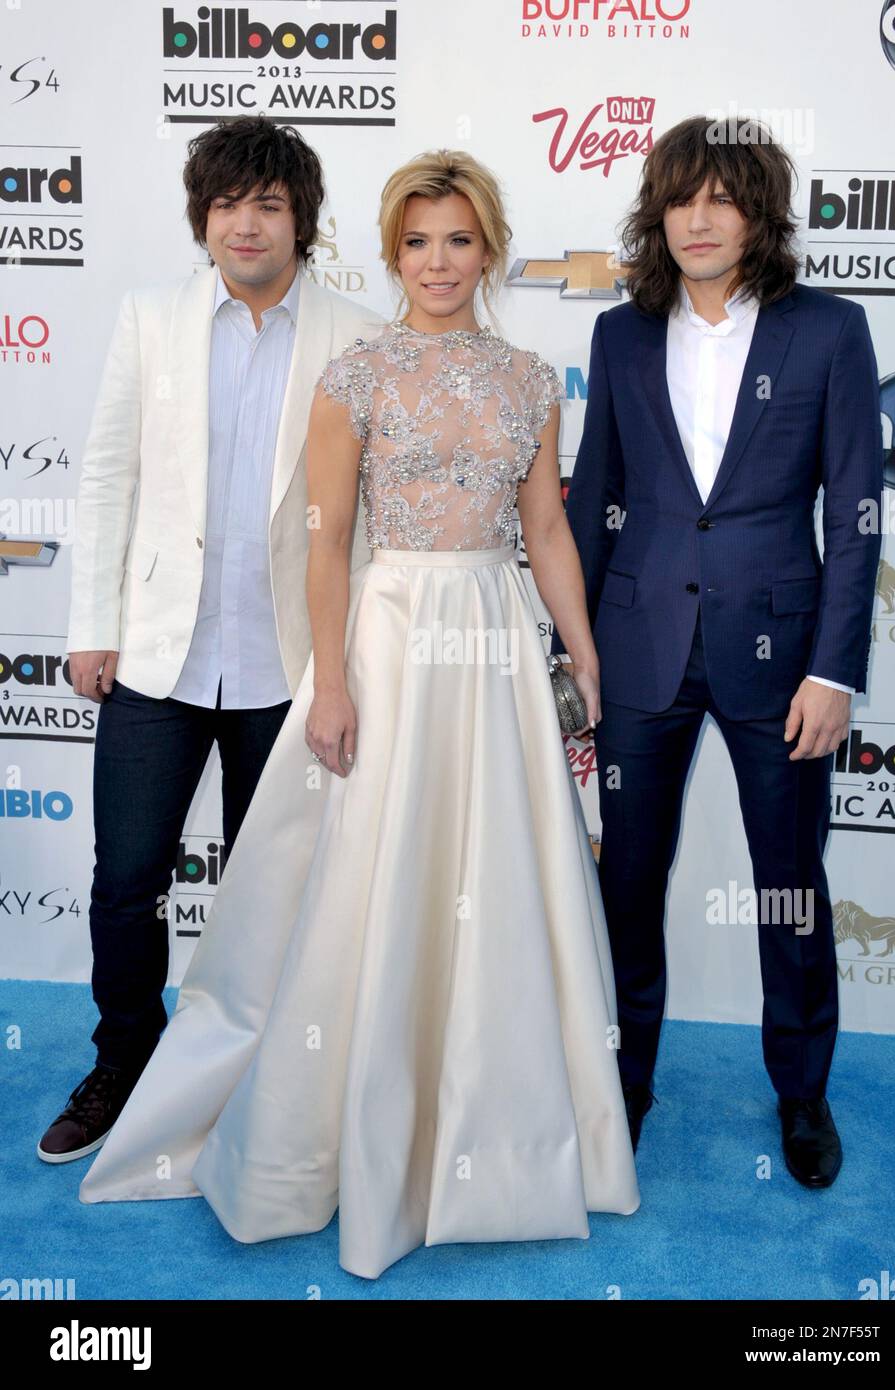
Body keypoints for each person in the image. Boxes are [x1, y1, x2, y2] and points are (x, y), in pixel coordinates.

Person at [76, 150, 640, 1280]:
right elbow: (327, 540)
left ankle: (489, 1131)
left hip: (486, 644)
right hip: (388, 638)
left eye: (460, 241)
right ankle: (304, 1116)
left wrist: (580, 648)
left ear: (489, 249)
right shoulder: (360, 374)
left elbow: (549, 531)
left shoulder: (530, 376)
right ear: (392, 253)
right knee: (364, 880)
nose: (439, 262)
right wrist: (330, 680)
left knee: (497, 879)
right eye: (419, 242)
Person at [38, 116, 383, 1164]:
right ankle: (124, 1062)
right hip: (159, 655)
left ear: (302, 222)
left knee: (273, 887)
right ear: (204, 218)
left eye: (269, 204)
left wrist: (348, 667)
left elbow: (366, 521)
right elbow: (107, 478)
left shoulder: (357, 336)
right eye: (228, 204)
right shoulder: (150, 319)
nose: (246, 223)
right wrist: (93, 624)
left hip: (291, 664)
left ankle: (261, 1077)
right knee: (127, 875)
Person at [550, 115, 883, 1186]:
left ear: (758, 213)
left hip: (782, 660)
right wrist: (579, 659)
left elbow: (856, 509)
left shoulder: (827, 332)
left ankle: (801, 1093)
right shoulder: (620, 334)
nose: (699, 218)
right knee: (627, 880)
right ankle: (622, 1081)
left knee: (788, 884)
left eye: (722, 197)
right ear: (659, 212)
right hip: (638, 650)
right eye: (681, 197)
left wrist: (833, 669)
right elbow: (594, 495)